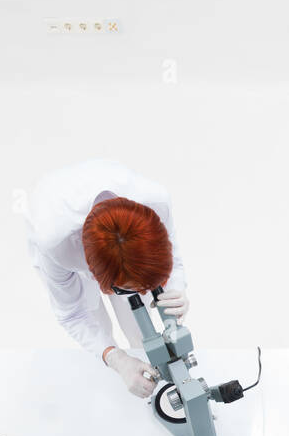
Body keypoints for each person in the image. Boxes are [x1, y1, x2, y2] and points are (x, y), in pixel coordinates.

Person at [27, 159, 189, 398]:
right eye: (127, 288)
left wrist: (176, 289)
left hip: (105, 214)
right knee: (96, 321)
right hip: (55, 213)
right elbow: (72, 314)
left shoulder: (155, 202)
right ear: (97, 274)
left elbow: (172, 256)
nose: (141, 293)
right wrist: (116, 358)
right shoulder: (56, 244)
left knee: (139, 328)